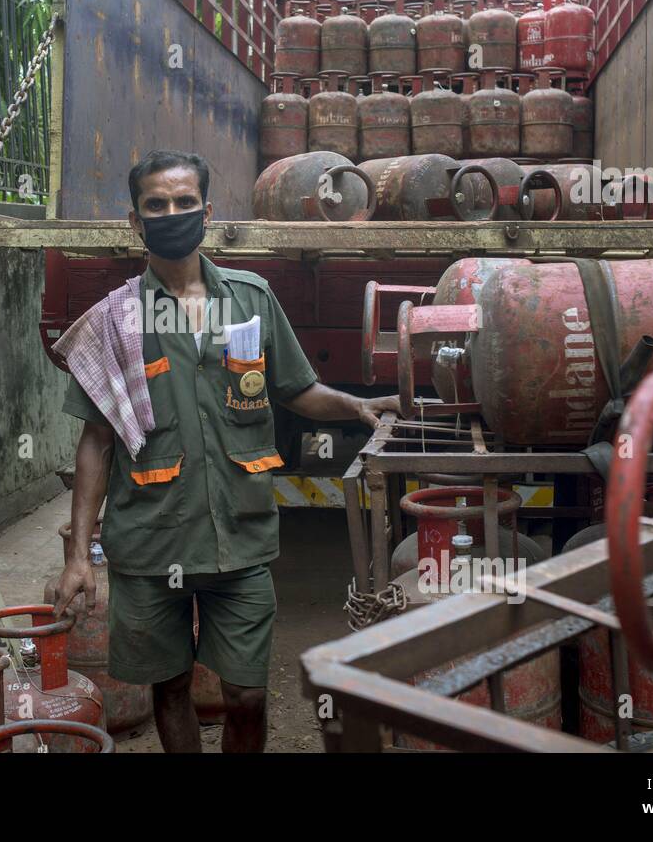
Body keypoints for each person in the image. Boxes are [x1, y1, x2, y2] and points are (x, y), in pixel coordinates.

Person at [52, 149, 399, 752]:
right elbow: (96, 441)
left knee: (247, 695)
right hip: (151, 540)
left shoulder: (251, 299)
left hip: (239, 537)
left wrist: (354, 406)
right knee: (171, 686)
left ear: (206, 212)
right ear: (136, 222)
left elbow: (297, 389)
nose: (172, 214)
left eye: (184, 203)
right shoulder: (118, 319)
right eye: (156, 206)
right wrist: (79, 555)